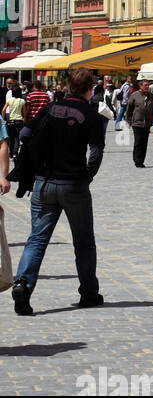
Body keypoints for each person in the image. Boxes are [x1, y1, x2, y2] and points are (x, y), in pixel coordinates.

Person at [11, 67, 104, 316]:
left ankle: (22, 284)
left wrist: (35, 158)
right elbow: (95, 152)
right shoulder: (90, 114)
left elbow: (25, 132)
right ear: (89, 87)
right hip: (73, 183)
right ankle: (88, 293)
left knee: (37, 239)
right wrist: (88, 175)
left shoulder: (50, 108)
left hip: (44, 182)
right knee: (83, 241)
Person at [123, 80, 153, 169]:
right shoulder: (134, 95)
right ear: (140, 86)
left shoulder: (151, 96)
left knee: (144, 142)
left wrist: (152, 119)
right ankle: (137, 160)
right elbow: (129, 109)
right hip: (137, 122)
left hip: (147, 123)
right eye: (145, 85)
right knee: (138, 141)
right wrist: (128, 120)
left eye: (148, 85)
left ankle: (141, 161)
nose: (147, 87)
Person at [3, 85, 24, 161]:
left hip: (10, 120)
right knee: (17, 138)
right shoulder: (22, 101)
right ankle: (15, 153)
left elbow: (3, 110)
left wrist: (4, 119)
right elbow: (24, 112)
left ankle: (11, 153)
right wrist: (24, 119)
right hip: (19, 121)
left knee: (11, 137)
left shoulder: (10, 100)